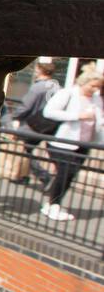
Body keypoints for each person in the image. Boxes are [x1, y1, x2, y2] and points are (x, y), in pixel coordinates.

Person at [39, 67, 104, 222]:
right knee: (65, 172)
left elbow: (99, 117)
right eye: (93, 85)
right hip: (63, 142)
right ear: (84, 82)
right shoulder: (67, 93)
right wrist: (77, 116)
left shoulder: (95, 98)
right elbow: (48, 112)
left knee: (70, 174)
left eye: (98, 86)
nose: (95, 89)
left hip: (84, 142)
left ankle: (52, 204)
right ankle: (54, 205)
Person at [9, 58, 62, 187]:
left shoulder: (38, 87)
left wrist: (14, 117)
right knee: (33, 150)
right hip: (50, 125)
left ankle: (44, 176)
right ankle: (26, 176)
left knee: (24, 151)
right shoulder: (58, 87)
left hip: (33, 124)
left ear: (40, 70)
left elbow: (26, 106)